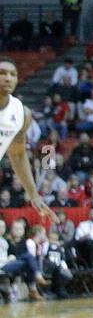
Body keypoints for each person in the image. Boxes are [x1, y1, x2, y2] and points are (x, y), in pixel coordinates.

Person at [0, 57, 56, 225]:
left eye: (13, 74)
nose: (8, 78)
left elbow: (17, 155)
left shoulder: (21, 113)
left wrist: (33, 194)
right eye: (2, 73)